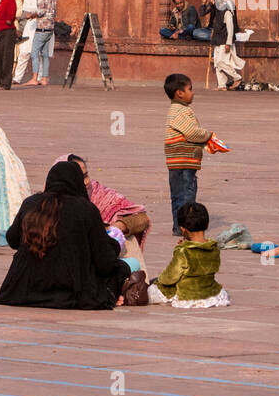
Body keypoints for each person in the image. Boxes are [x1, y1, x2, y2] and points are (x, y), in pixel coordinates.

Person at [0, 160, 141, 310]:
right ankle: (121, 293)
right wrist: (114, 242)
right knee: (131, 264)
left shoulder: (31, 203)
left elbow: (12, 239)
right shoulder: (85, 209)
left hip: (23, 290)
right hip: (74, 294)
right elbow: (106, 264)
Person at [58, 152, 151, 270]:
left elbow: (141, 219)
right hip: (75, 266)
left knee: (129, 244)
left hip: (103, 259)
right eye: (80, 177)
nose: (86, 182)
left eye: (86, 175)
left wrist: (117, 227)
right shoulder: (52, 207)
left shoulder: (99, 194)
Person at [164, 73, 223, 235]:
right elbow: (191, 132)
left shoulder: (177, 110)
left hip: (178, 161)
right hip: (183, 161)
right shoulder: (181, 111)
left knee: (178, 195)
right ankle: (186, 227)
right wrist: (208, 135)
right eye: (190, 89)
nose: (193, 92)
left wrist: (207, 144)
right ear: (179, 93)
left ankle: (179, 226)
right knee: (187, 196)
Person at [147, 202, 229, 308]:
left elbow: (169, 278)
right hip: (209, 291)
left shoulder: (184, 252)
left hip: (187, 293)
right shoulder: (214, 248)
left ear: (182, 229)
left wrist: (159, 280)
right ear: (207, 225)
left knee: (152, 289)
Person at [23, 0, 58, 86]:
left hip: (42, 27)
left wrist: (31, 15)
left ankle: (34, 78)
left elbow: (41, 11)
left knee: (34, 53)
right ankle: (44, 78)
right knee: (45, 54)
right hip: (50, 28)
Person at [209, 0, 245, 90]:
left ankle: (237, 78)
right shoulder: (217, 8)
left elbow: (230, 28)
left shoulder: (228, 10)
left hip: (225, 40)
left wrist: (228, 43)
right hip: (217, 38)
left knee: (221, 62)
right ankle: (221, 85)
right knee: (217, 62)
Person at [12, 0, 42, 85]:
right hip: (29, 26)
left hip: (41, 25)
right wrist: (20, 28)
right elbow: (25, 13)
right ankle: (17, 78)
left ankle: (39, 78)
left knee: (39, 53)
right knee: (24, 52)